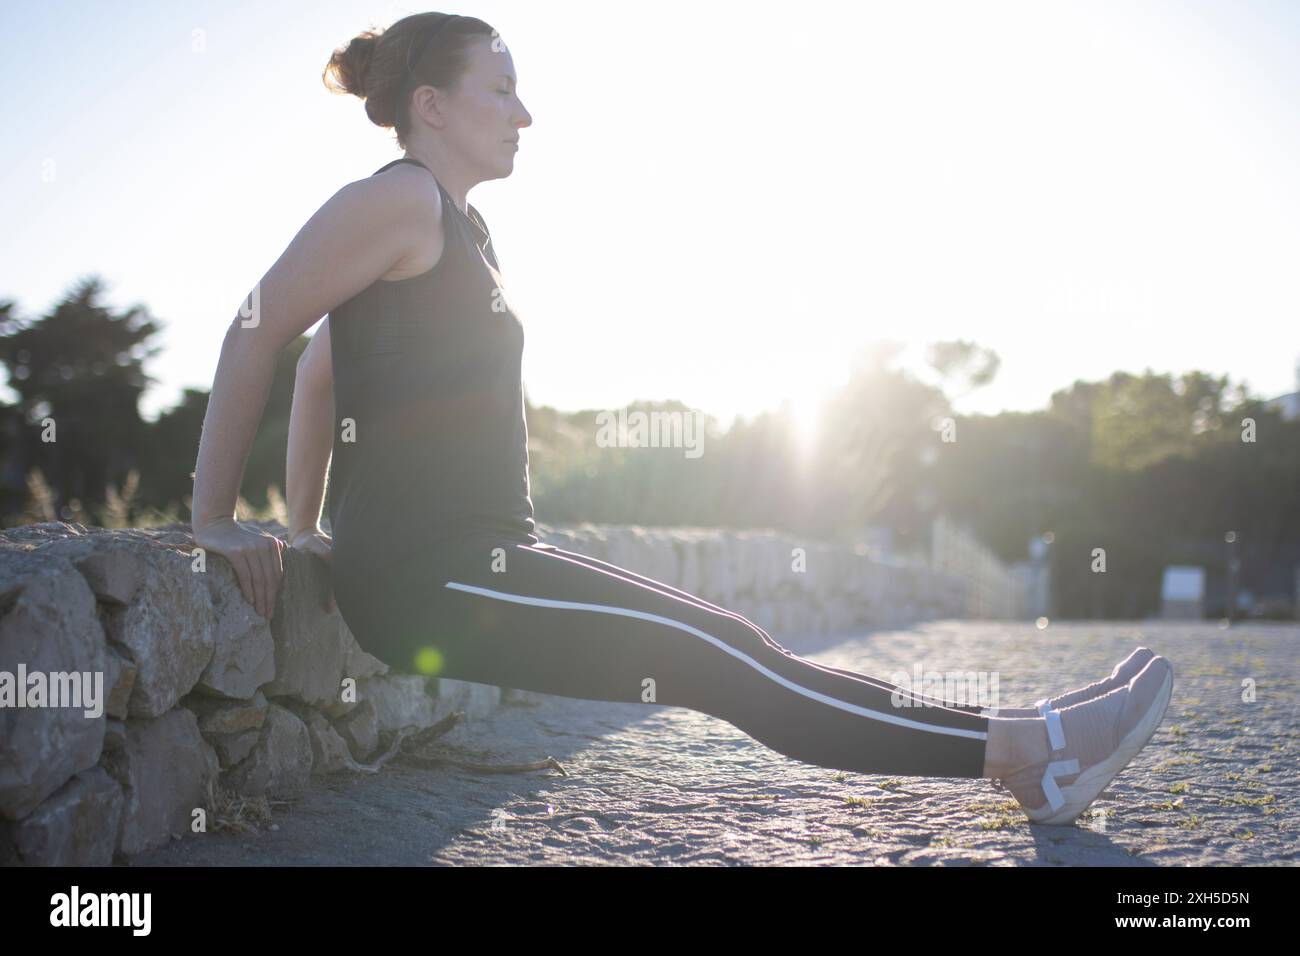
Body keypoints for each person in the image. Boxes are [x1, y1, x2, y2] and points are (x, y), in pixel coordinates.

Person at [190, 12, 1173, 826]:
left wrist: (307, 525)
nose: (525, 112)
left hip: (463, 558)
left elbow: (324, 370)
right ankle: (1030, 754)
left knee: (731, 644)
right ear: (431, 107)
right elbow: (259, 324)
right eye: (502, 89)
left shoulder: (453, 227)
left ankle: (1030, 732)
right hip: (431, 573)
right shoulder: (400, 197)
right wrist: (215, 516)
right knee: (721, 662)